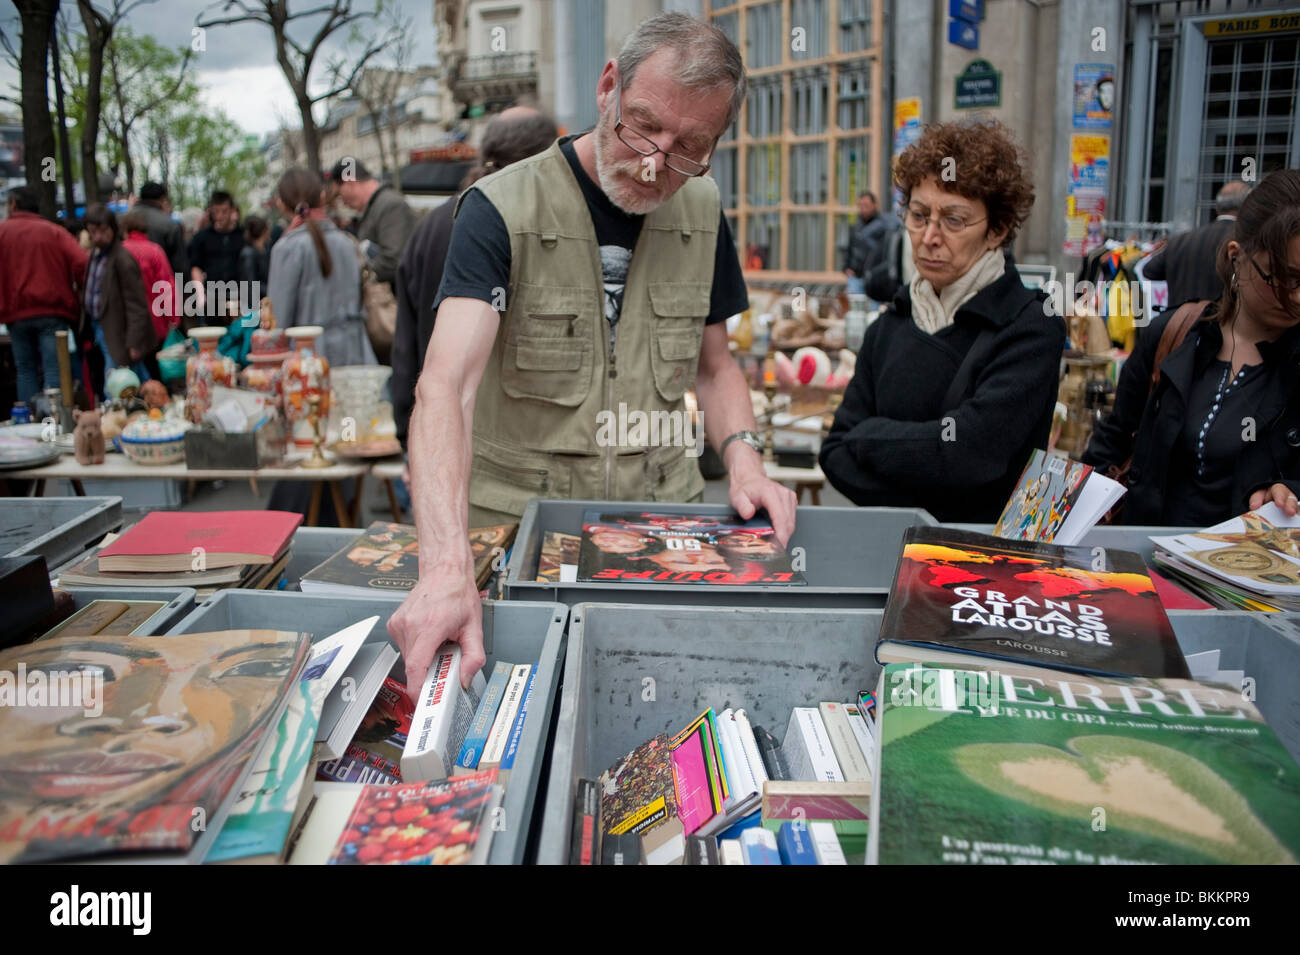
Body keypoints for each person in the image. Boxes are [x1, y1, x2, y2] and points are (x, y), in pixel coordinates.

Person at [386, 12, 797, 696]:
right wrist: (444, 564)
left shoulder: (702, 210)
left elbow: (716, 364)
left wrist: (745, 458)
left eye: (690, 147)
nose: (653, 163)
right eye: (642, 126)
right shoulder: (500, 207)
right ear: (608, 87)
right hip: (520, 538)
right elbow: (445, 386)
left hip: (657, 539)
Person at [819, 119, 1065, 523]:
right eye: (919, 216)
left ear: (997, 230)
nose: (929, 236)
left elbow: (971, 455)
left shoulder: (1029, 326)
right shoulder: (891, 323)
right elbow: (835, 454)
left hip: (984, 567)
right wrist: (926, 497)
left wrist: (869, 436)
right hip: (890, 555)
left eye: (953, 220)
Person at [1082, 169, 1300, 526]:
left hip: (1245, 574)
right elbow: (1114, 438)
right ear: (1236, 257)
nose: (1296, 296)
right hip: (1144, 566)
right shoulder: (1173, 334)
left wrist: (1289, 491)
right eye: (1280, 278)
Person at [392, 106, 559, 448]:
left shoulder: (432, 225)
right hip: (515, 438)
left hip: (442, 428)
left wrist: (406, 429)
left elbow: (405, 340)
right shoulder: (541, 226)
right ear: (542, 158)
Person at [266, 169, 373, 366]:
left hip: (307, 362)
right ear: (322, 197)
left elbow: (277, 321)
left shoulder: (287, 248)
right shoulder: (346, 242)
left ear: (281, 204)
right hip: (355, 355)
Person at [0, 186, 88, 405]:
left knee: (25, 370)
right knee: (54, 369)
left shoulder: (3, 232)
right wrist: (78, 291)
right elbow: (81, 262)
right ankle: (54, 421)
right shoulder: (53, 232)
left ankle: (29, 422)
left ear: (13, 204)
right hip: (53, 310)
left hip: (16, 313)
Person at [81, 204, 155, 395]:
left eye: (102, 231)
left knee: (118, 382)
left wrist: (135, 341)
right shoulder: (96, 255)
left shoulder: (122, 258)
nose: (97, 236)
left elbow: (137, 304)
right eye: (93, 231)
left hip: (118, 331)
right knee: (127, 377)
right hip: (100, 326)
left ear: (113, 229)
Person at [1143, 181, 1253, 306]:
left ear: (1217, 208)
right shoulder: (1246, 242)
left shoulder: (1181, 240)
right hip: (1221, 320)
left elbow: (1149, 271)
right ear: (1247, 208)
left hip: (1180, 320)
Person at [328, 157, 416, 292]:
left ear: (349, 183)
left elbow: (393, 262)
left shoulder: (390, 205)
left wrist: (355, 274)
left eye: (339, 194)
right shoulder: (379, 206)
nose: (343, 202)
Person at [120, 209, 176, 379]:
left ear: (125, 230)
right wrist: (172, 318)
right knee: (154, 370)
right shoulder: (155, 250)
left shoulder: (121, 251)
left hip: (127, 323)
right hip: (156, 322)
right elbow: (166, 286)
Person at [187, 190, 245, 322]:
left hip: (240, 298)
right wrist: (201, 295)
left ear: (232, 210)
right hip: (212, 298)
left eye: (224, 211)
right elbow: (196, 267)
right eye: (216, 212)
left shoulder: (243, 235)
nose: (220, 216)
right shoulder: (201, 238)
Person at [843, 190, 901, 297]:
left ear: (874, 205)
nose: (863, 209)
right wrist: (846, 267)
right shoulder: (856, 227)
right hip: (856, 278)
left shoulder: (885, 226)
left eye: (866, 205)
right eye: (860, 205)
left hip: (875, 279)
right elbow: (849, 249)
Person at [133, 182, 188, 283]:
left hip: (127, 288)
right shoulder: (170, 225)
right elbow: (180, 265)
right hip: (160, 288)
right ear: (162, 199)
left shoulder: (120, 220)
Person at [238, 215, 271, 292]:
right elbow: (250, 283)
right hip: (254, 301)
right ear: (264, 231)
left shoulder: (263, 251)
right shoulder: (248, 254)